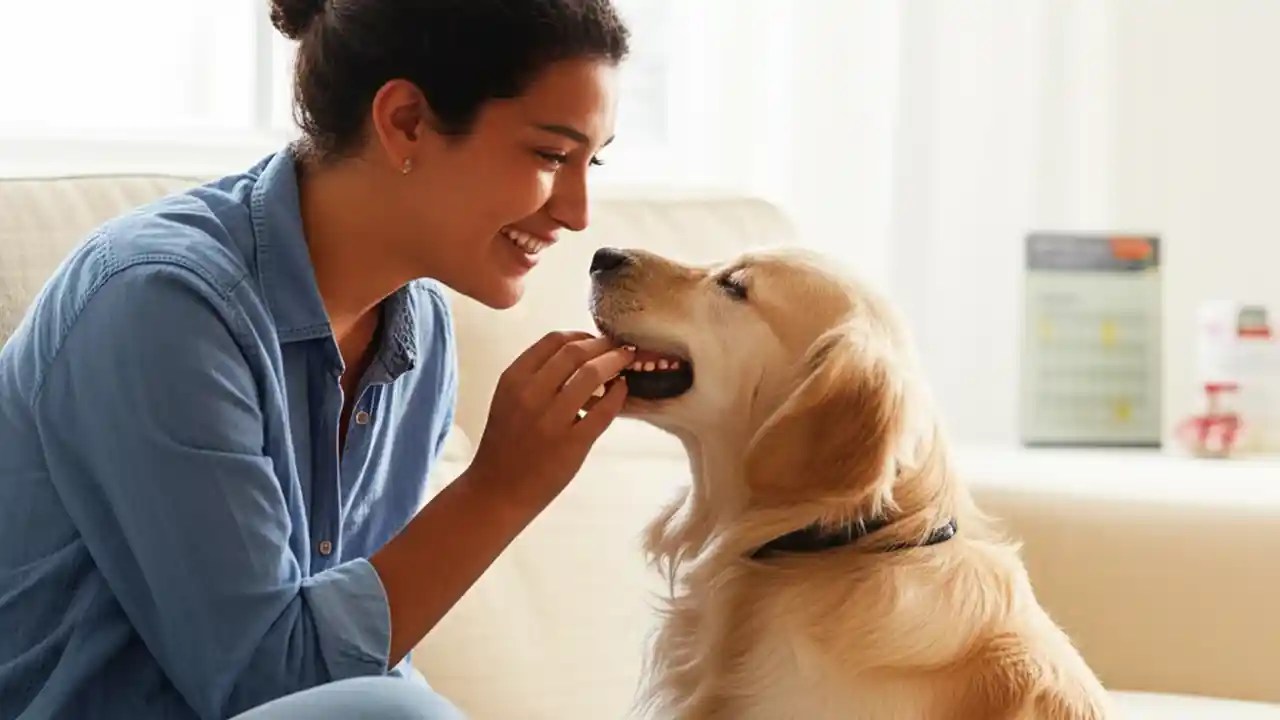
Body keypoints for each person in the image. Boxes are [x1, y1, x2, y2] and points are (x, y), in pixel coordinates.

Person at [0, 0, 634, 717]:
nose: (579, 213)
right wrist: (502, 488)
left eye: (594, 161)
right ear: (406, 122)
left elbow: (352, 664)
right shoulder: (161, 305)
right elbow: (274, 680)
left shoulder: (416, 328)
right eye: (552, 156)